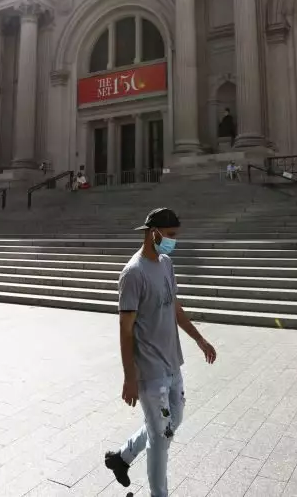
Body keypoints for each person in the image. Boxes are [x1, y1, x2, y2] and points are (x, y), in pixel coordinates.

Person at [104, 208, 217, 496]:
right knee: (160, 435)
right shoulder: (133, 273)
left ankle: (123, 457)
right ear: (153, 233)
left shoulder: (166, 263)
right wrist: (130, 376)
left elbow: (174, 306)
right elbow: (125, 329)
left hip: (172, 362)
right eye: (170, 236)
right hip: (149, 371)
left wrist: (199, 339)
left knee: (174, 421)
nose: (173, 242)